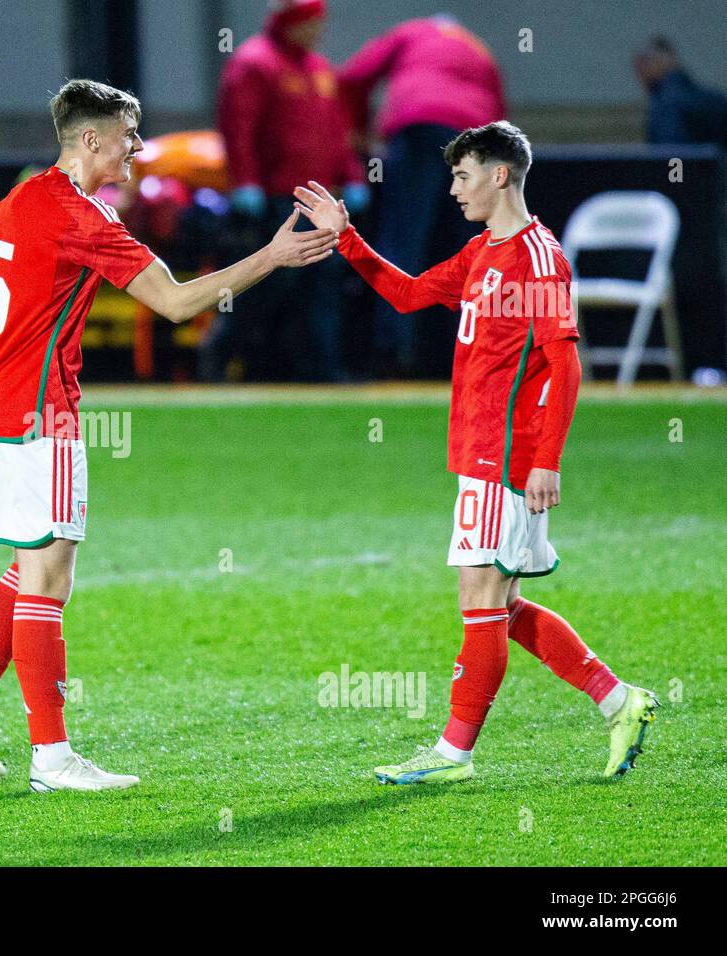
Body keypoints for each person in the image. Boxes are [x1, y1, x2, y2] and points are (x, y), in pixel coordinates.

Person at [0, 79, 337, 792]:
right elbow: (180, 304)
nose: (138, 149)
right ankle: (52, 758)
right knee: (49, 580)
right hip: (40, 416)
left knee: (26, 568)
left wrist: (8, 379)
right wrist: (272, 257)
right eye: (128, 135)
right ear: (92, 140)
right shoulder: (81, 217)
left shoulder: (19, 200)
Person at [294, 121, 659, 784]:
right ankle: (621, 700)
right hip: (479, 454)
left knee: (480, 598)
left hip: (507, 458)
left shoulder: (537, 257)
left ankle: (452, 754)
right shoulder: (484, 251)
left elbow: (565, 365)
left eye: (463, 176)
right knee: (503, 606)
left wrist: (547, 459)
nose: (454, 189)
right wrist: (344, 236)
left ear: (498, 175)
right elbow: (408, 295)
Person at [337, 14, 505, 378]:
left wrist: (358, 132)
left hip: (421, 127)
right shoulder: (479, 49)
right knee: (471, 250)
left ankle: (393, 352)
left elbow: (351, 78)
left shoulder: (411, 32)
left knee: (403, 242)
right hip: (478, 141)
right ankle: (471, 352)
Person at [207, 0, 365, 383]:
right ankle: (218, 355)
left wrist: (354, 175)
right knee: (267, 283)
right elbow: (238, 129)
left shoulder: (320, 71)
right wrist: (245, 183)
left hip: (322, 202)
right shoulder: (254, 63)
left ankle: (321, 369)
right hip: (278, 200)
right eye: (311, 24)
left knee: (323, 283)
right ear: (291, 24)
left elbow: (336, 133)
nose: (318, 32)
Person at [634, 35, 727, 147]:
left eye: (644, 62)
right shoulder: (715, 98)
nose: (640, 73)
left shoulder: (666, 104)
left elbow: (671, 156)